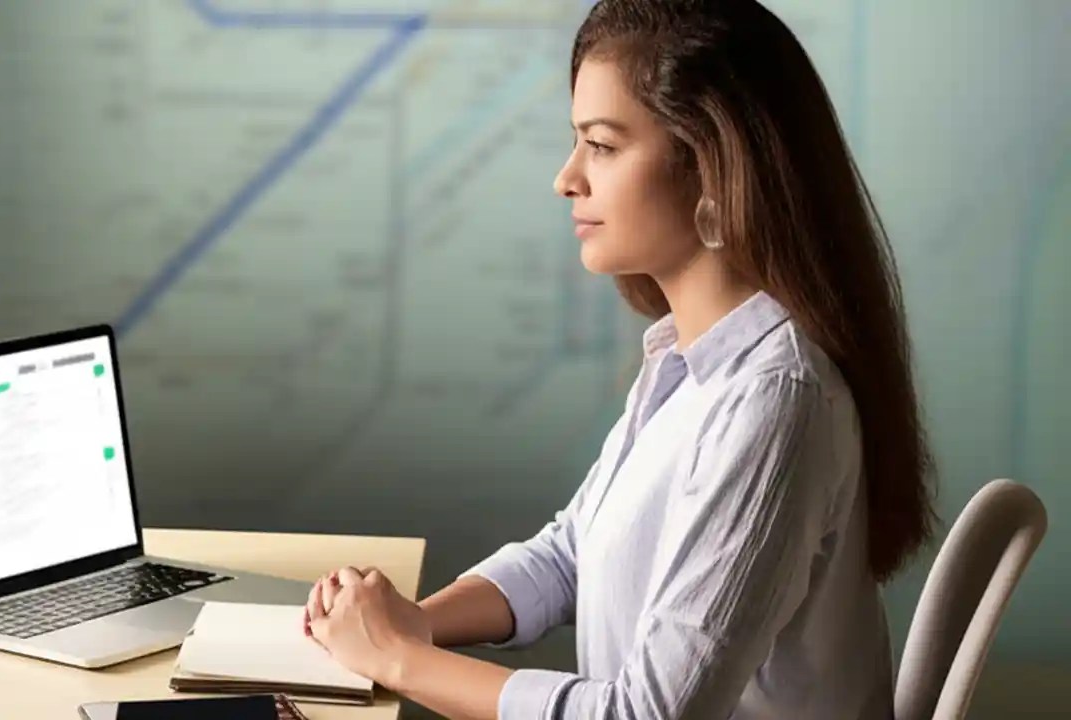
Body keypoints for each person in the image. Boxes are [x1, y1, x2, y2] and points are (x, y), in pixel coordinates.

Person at [301, 0, 936, 717]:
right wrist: (412, 626)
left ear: (713, 169)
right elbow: (569, 555)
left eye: (601, 145)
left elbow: (647, 714)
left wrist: (397, 658)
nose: (566, 178)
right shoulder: (687, 360)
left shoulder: (776, 401)